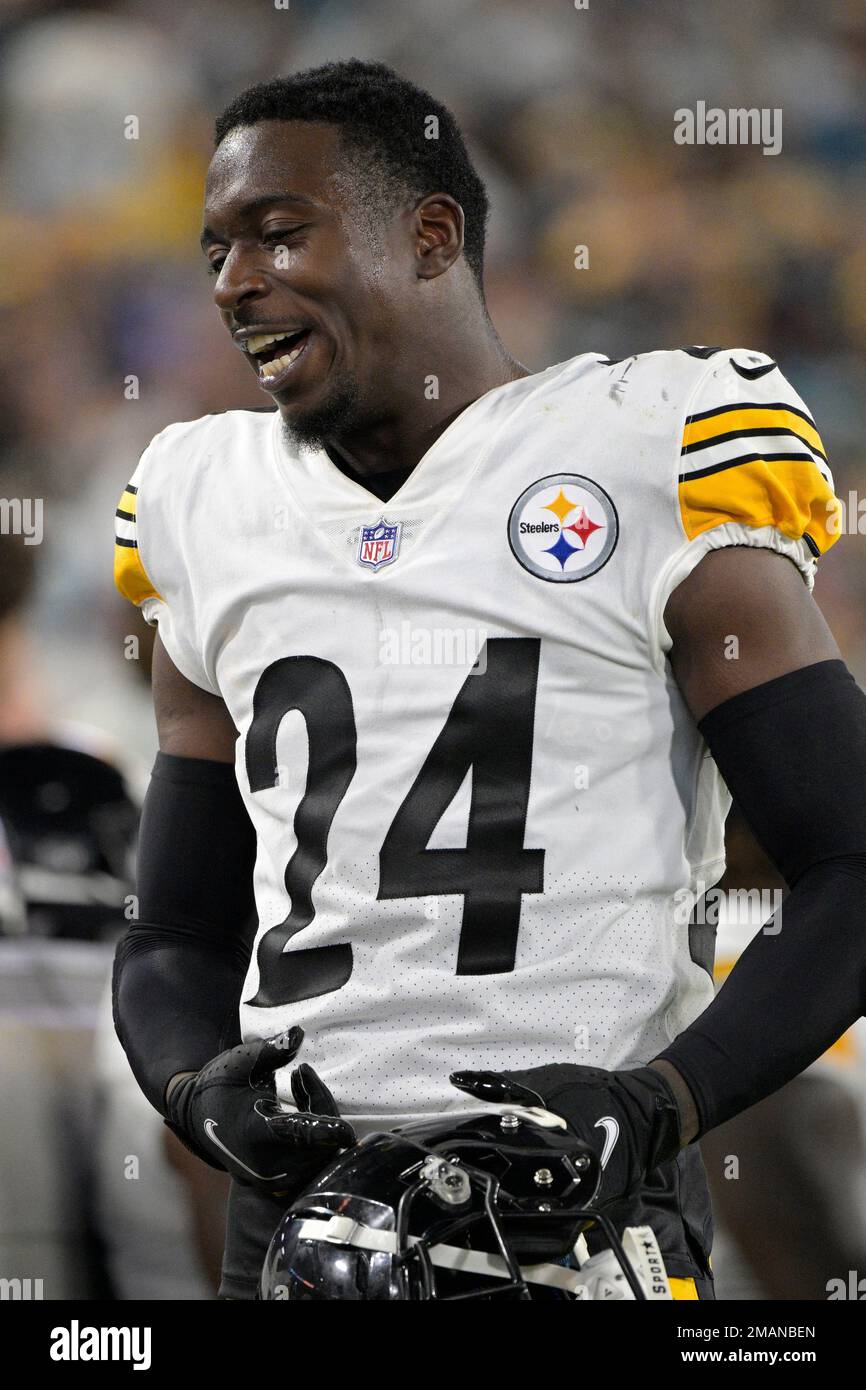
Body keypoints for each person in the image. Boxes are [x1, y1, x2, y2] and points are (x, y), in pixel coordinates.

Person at [111, 60, 866, 1301]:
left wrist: (656, 1102)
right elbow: (175, 931)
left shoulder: (641, 446)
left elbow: (846, 858)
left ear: (429, 234)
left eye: (277, 234)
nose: (236, 284)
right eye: (214, 254)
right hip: (303, 1222)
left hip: (568, 1208)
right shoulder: (202, 496)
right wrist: (198, 1089)